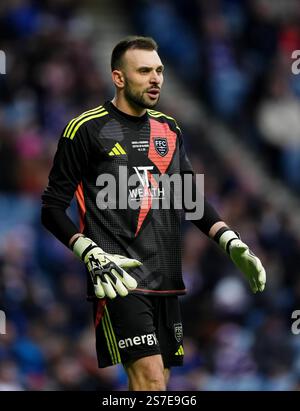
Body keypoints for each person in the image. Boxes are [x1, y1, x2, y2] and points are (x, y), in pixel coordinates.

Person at [41, 36, 266, 391]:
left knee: (157, 383)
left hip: (166, 279)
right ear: (119, 77)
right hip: (118, 278)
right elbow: (51, 209)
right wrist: (87, 251)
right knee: (149, 382)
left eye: (159, 71)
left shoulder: (169, 130)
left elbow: (191, 200)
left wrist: (230, 239)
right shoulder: (85, 129)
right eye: (144, 71)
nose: (156, 79)